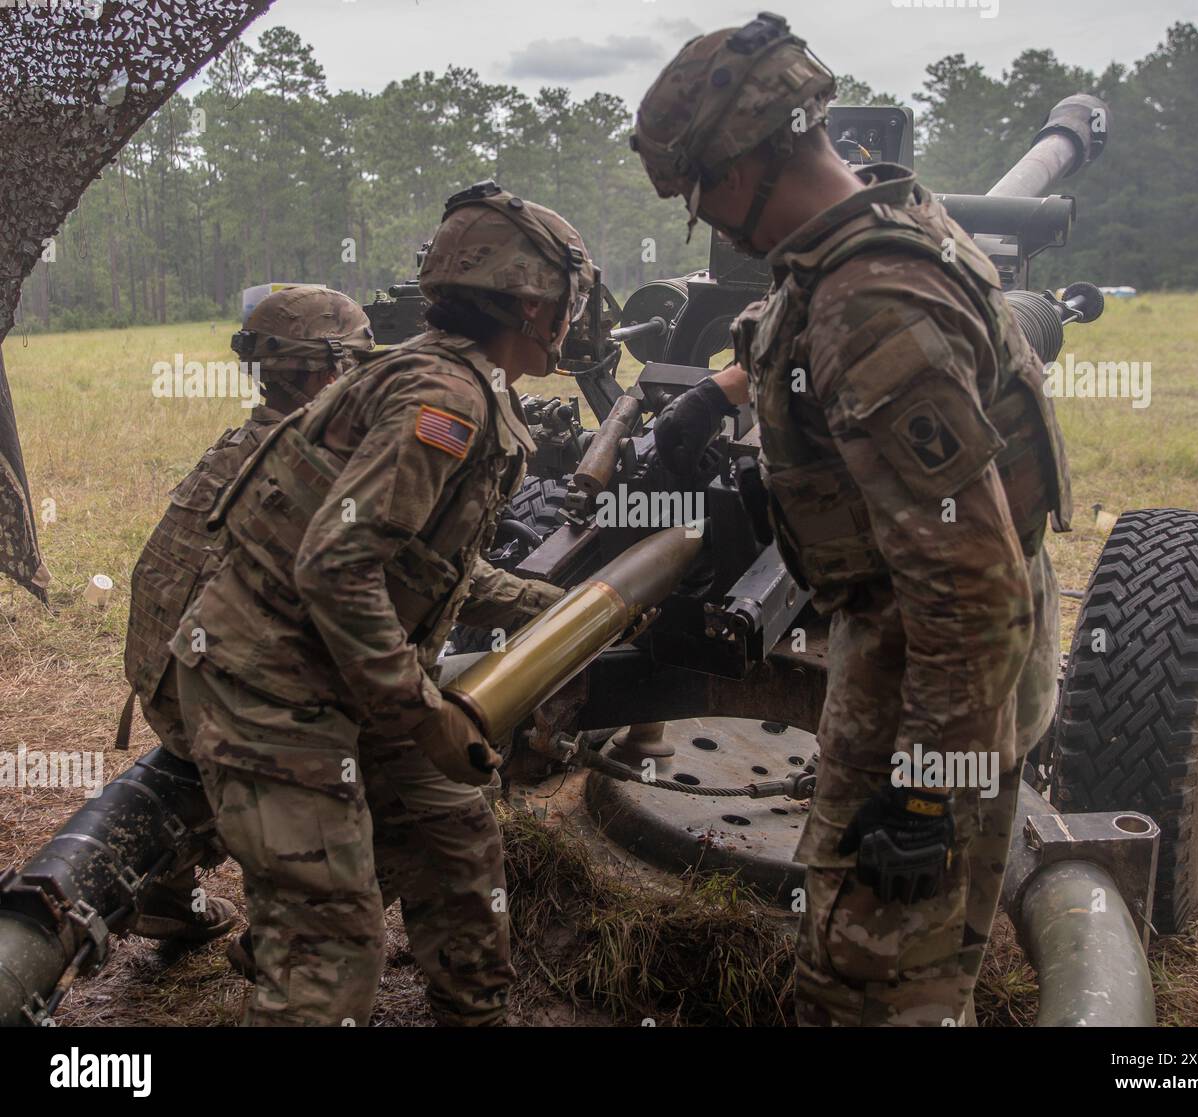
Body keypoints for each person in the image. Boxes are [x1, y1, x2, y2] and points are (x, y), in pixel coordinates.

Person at [633, 13, 1070, 1026]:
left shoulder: (873, 308)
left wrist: (923, 793)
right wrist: (724, 387)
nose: (706, 215)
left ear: (751, 155)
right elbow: (800, 304)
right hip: (907, 652)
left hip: (932, 678)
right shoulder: (880, 216)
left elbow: (970, 586)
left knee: (877, 986)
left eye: (699, 186)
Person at [169, 182, 590, 1026]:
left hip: (350, 668)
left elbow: (420, 566)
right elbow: (336, 566)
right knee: (332, 941)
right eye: (567, 302)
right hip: (273, 682)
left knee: (457, 843)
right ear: (535, 304)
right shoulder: (444, 400)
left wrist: (547, 605)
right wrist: (423, 710)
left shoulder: (459, 383)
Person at [122, 286, 375, 944]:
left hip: (158, 673)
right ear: (325, 372)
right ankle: (288, 946)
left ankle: (168, 892)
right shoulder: (321, 468)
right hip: (209, 699)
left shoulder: (243, 441)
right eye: (356, 364)